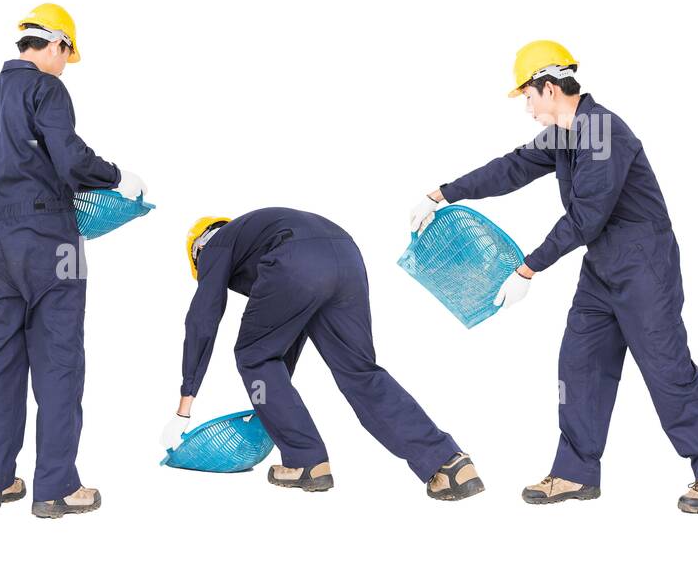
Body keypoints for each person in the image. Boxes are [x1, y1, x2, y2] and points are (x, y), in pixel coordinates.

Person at [411, 41, 698, 513]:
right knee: (580, 366)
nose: (526, 108)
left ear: (549, 87)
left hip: (643, 265)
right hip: (602, 269)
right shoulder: (565, 133)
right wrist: (444, 193)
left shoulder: (601, 130)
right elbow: (512, 168)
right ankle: (575, 473)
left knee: (667, 369)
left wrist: (529, 266)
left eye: (528, 97)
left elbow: (587, 216)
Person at [0, 3, 148, 518]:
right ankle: (56, 489)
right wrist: (116, 177)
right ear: (56, 44)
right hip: (51, 241)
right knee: (59, 359)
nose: (67, 64)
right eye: (67, 53)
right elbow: (69, 158)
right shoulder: (48, 89)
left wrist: (8, 202)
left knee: (0, 356)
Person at [162, 208, 485, 501]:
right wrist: (271, 405)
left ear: (198, 251)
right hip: (346, 256)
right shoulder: (257, 231)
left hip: (294, 259)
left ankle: (306, 461)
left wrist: (185, 405)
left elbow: (203, 319)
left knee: (253, 356)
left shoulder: (213, 246)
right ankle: (448, 463)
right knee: (360, 371)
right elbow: (285, 335)